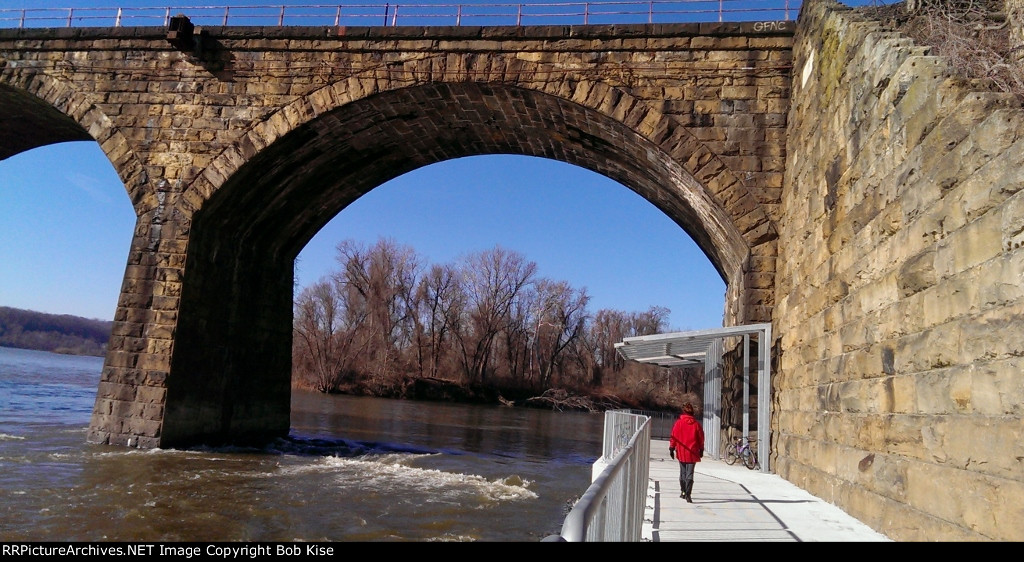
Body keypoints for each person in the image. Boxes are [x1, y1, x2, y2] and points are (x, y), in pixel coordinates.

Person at [668, 402, 705, 503]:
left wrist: (671, 448)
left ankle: (683, 492)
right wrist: (701, 449)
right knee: (690, 474)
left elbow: (673, 436)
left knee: (682, 473)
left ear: (683, 412)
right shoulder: (697, 425)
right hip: (692, 452)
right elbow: (701, 438)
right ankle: (688, 494)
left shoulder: (679, 423)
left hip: (681, 451)